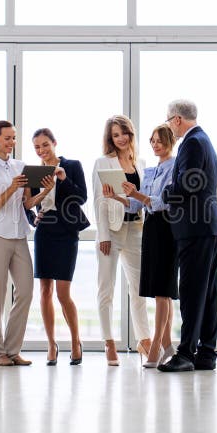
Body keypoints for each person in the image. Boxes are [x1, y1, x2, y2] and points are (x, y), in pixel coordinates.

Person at [0, 120, 52, 366]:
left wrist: (44, 192)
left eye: (14, 138)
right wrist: (11, 187)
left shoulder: (21, 166)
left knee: (25, 291)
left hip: (20, 236)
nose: (11, 142)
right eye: (7, 138)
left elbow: (28, 204)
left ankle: (12, 349)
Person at [157, 100, 217, 373]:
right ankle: (206, 354)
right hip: (206, 226)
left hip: (195, 226)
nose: (170, 127)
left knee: (193, 291)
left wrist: (165, 193)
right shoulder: (203, 140)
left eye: (169, 121)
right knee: (206, 293)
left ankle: (185, 353)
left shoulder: (192, 143)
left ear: (177, 120)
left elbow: (187, 184)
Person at [93, 115, 152, 366]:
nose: (121, 138)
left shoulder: (141, 163)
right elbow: (99, 201)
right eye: (116, 135)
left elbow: (144, 198)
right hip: (112, 231)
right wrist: (104, 235)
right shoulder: (102, 163)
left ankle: (145, 340)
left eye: (124, 133)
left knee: (139, 289)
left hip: (136, 228)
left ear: (131, 134)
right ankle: (109, 343)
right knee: (107, 289)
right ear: (110, 138)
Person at [29, 128, 89, 366]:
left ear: (54, 143)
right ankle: (51, 343)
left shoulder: (72, 166)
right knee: (44, 291)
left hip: (66, 232)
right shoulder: (34, 172)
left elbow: (81, 197)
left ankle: (75, 341)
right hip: (45, 230)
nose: (41, 150)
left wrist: (63, 179)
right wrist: (31, 218)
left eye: (45, 145)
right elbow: (29, 202)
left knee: (63, 293)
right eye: (37, 147)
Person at [122, 124, 178, 368]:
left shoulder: (175, 167)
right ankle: (167, 346)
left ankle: (156, 346)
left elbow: (163, 202)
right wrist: (119, 195)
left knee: (163, 291)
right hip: (151, 230)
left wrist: (137, 195)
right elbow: (136, 207)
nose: (155, 144)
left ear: (170, 141)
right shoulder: (150, 171)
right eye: (152, 141)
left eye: (160, 140)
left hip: (167, 228)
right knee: (157, 289)